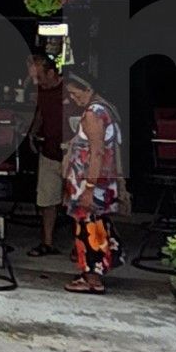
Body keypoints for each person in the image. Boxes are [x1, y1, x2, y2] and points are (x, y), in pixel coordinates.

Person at [62, 68, 124, 294]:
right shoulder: (106, 110)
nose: (72, 98)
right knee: (95, 226)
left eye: (75, 93)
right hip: (101, 183)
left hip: (91, 183)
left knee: (88, 228)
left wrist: (88, 186)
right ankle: (92, 273)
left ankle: (92, 278)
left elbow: (96, 152)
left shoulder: (92, 114)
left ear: (87, 89)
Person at [26, 49, 66, 258]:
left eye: (39, 77)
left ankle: (82, 246)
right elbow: (40, 112)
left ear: (51, 73)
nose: (37, 81)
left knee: (76, 201)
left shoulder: (71, 90)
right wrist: (33, 132)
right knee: (47, 199)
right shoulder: (42, 91)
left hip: (72, 152)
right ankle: (47, 242)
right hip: (49, 150)